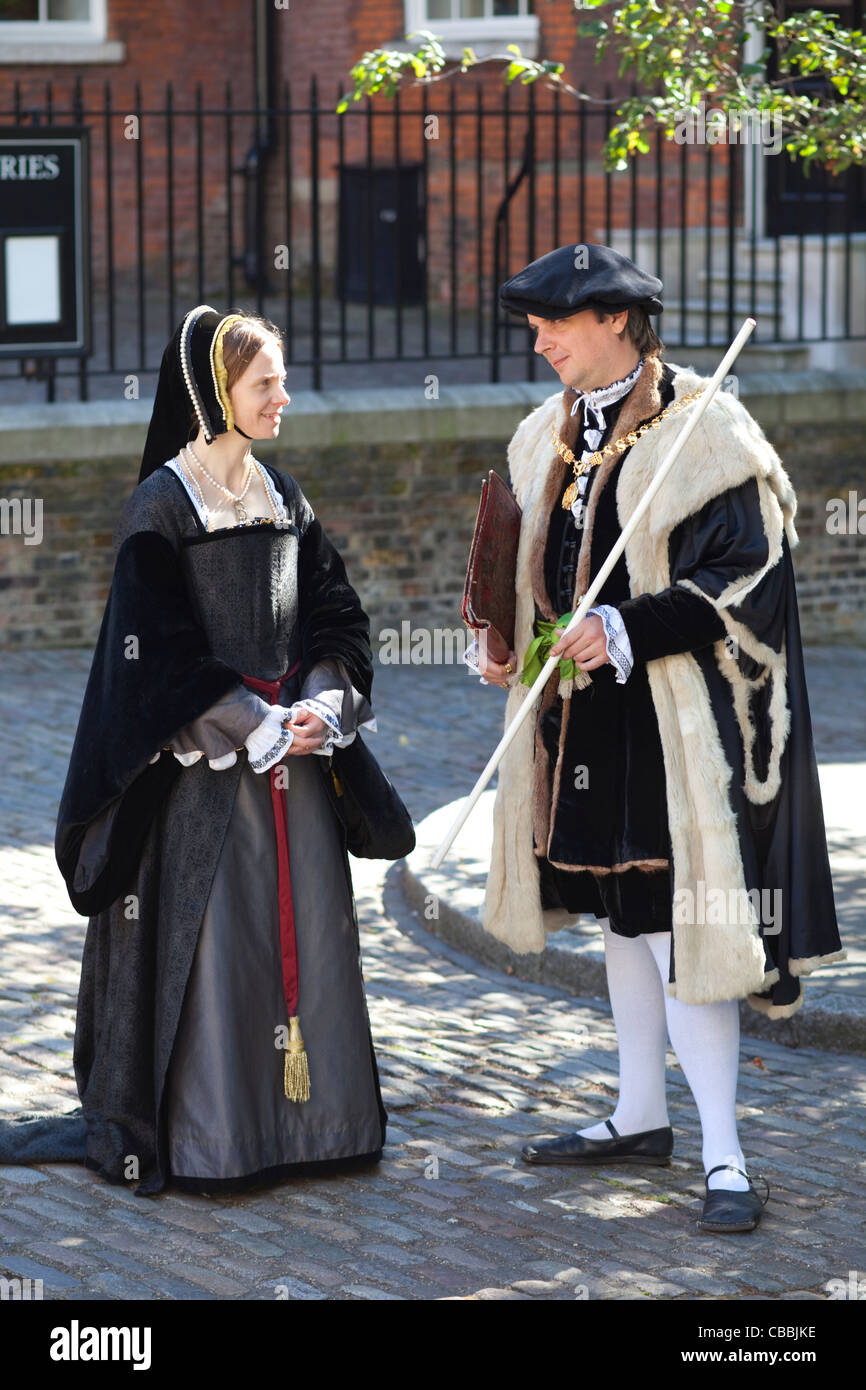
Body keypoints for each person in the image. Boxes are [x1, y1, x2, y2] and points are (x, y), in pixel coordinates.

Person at [464, 244, 844, 1234]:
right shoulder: (542, 438)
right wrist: (506, 636)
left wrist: (626, 626)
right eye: (535, 324)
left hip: (675, 734)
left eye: (556, 322)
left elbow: (744, 576)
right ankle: (639, 1113)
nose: (539, 340)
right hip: (578, 724)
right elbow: (530, 566)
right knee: (619, 917)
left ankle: (723, 1151)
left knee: (683, 931)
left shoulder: (707, 434)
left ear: (619, 324)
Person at [43, 305, 393, 1196]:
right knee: (217, 945)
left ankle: (317, 1127)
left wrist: (321, 704)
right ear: (215, 394)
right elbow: (150, 653)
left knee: (307, 933)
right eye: (264, 384)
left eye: (281, 380)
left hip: (297, 770)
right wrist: (250, 720)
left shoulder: (285, 498)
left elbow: (337, 617)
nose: (283, 398)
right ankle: (220, 1137)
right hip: (204, 779)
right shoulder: (162, 504)